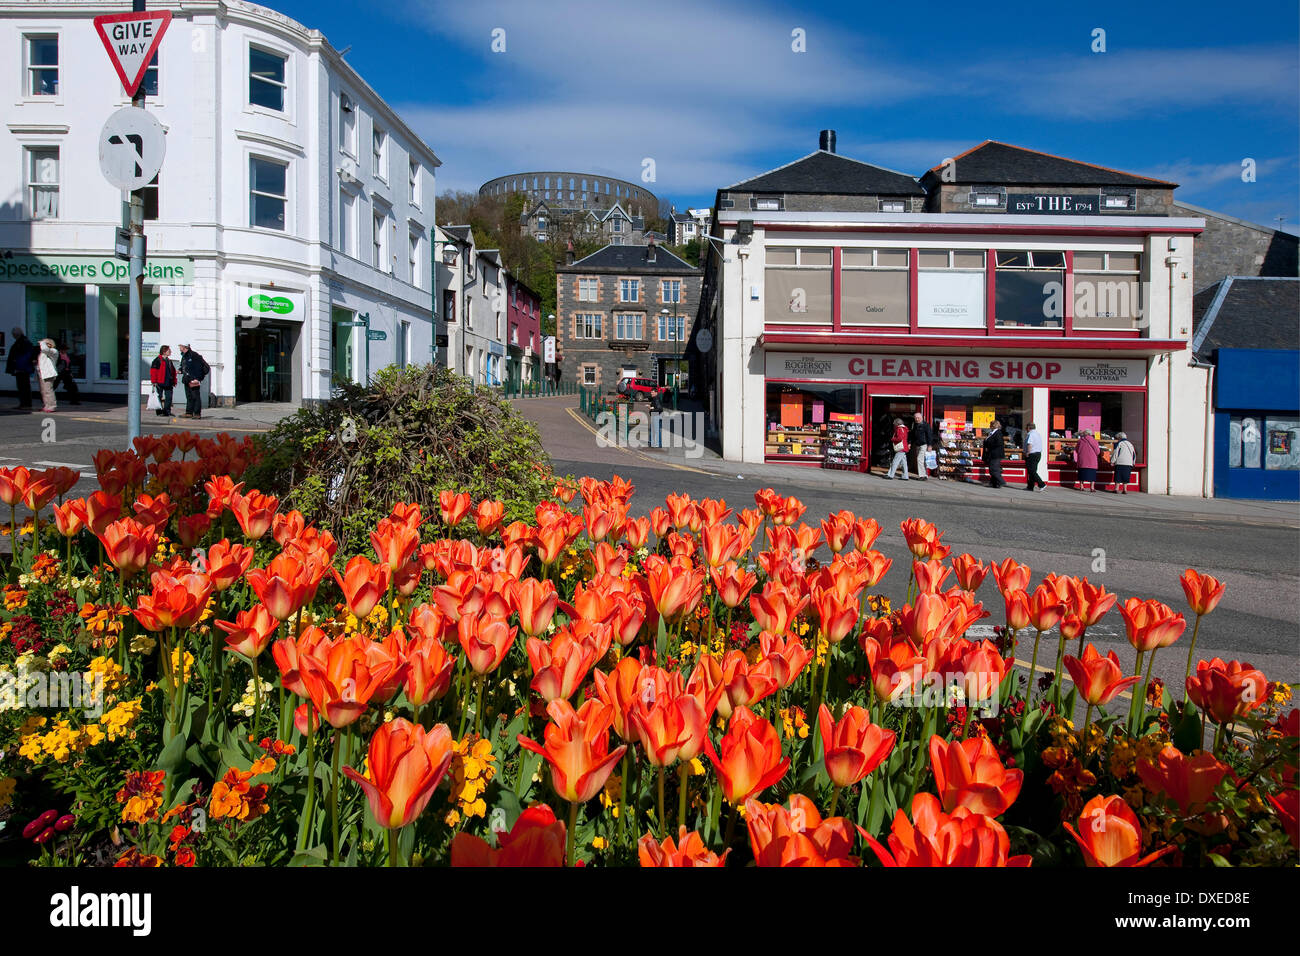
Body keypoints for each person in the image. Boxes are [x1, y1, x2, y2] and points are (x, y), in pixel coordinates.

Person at [5, 327, 35, 409]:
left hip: (22, 368)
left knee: (23, 386)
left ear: (16, 334)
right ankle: (25, 403)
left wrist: (17, 366)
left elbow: (22, 357)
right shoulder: (23, 342)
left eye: (14, 335)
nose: (13, 336)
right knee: (23, 386)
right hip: (23, 368)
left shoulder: (22, 343)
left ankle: (25, 404)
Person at [178, 344, 209, 419]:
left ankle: (197, 413)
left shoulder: (194, 355)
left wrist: (197, 379)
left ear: (185, 347)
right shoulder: (184, 355)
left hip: (193, 379)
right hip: (187, 379)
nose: (179, 347)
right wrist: (180, 370)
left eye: (180, 346)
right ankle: (189, 412)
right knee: (189, 397)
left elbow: (198, 368)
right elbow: (185, 366)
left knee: (195, 396)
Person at [149, 345, 177, 417]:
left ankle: (167, 411)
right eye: (169, 350)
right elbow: (153, 371)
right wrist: (154, 382)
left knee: (169, 397)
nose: (170, 351)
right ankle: (159, 412)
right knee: (159, 397)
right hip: (160, 382)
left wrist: (174, 381)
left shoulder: (169, 361)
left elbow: (173, 372)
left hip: (168, 382)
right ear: (164, 352)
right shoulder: (157, 360)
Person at [982, 418, 1006, 488]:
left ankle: (1001, 481)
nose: (989, 426)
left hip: (995, 454)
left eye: (990, 424)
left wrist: (989, 445)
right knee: (993, 468)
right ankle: (995, 483)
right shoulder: (992, 433)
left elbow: (998, 443)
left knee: (993, 469)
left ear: (993, 425)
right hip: (991, 454)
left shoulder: (998, 433)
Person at [910, 411, 934, 480]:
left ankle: (922, 475)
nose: (917, 419)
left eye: (918, 418)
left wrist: (930, 445)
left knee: (919, 459)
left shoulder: (926, 425)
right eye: (916, 418)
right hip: (917, 444)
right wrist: (910, 443)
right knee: (922, 460)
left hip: (924, 444)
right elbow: (912, 435)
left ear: (922, 418)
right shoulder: (915, 425)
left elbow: (929, 435)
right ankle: (925, 475)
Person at [36, 338, 59, 412]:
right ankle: (46, 405)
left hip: (48, 374)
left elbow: (45, 349)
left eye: (45, 344)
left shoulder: (53, 351)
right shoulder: (43, 353)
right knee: (43, 391)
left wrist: (42, 343)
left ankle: (52, 406)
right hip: (42, 374)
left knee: (48, 391)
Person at [1024, 422, 1047, 491]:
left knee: (1031, 471)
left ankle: (1042, 484)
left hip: (1032, 454)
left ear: (1028, 428)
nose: (1026, 429)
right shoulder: (1037, 434)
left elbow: (1029, 444)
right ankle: (1030, 486)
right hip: (1037, 454)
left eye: (1026, 428)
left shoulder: (1031, 434)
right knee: (1032, 471)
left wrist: (1028, 452)